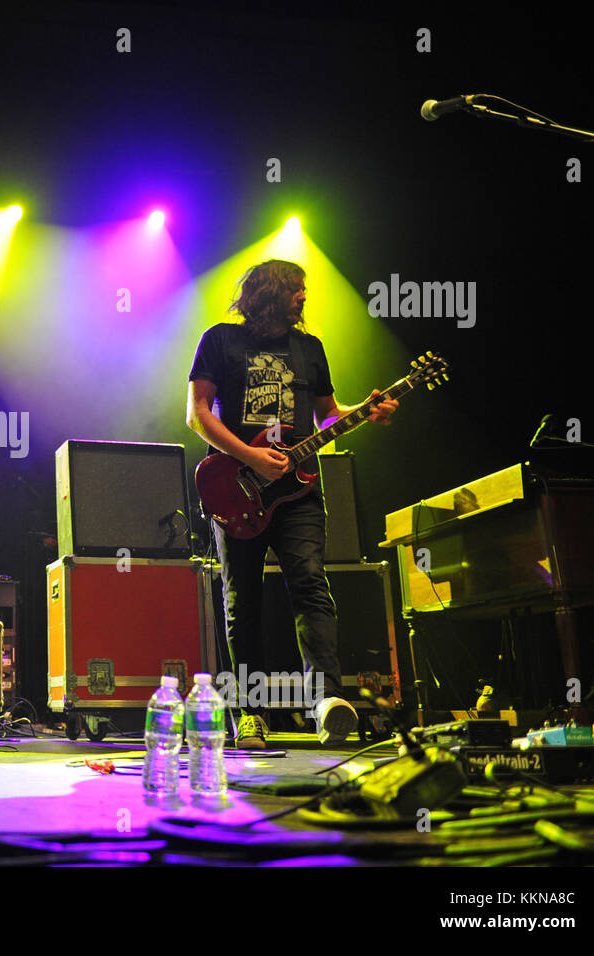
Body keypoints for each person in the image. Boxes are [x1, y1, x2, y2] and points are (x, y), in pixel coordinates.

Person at [186, 259, 397, 749]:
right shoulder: (220, 340)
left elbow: (327, 417)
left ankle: (326, 703)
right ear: (271, 292)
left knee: (311, 584)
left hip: (299, 489)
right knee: (244, 601)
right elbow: (197, 414)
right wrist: (250, 457)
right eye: (297, 290)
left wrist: (369, 411)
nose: (304, 297)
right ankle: (250, 713)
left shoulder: (310, 349)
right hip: (235, 486)